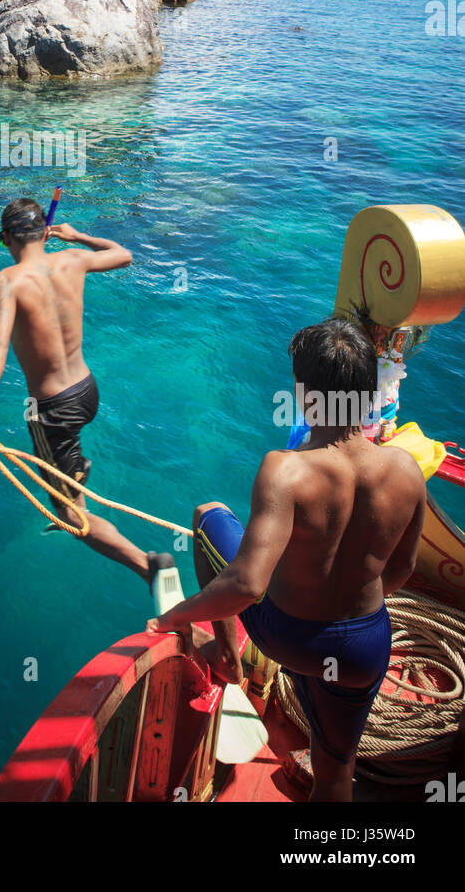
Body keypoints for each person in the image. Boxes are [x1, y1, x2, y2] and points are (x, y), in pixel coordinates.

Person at [146, 317, 427, 802]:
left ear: (305, 394)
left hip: (289, 635)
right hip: (363, 647)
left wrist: (176, 616)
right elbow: (401, 571)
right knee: (336, 774)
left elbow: (247, 585)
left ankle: (229, 658)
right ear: (365, 389)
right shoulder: (405, 470)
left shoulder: (286, 469)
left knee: (207, 515)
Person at [0, 198, 166, 583]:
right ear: (47, 232)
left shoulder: (7, 281)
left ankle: (150, 568)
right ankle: (73, 471)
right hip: (86, 391)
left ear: (4, 238)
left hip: (51, 411)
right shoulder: (73, 259)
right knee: (67, 465)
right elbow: (123, 254)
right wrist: (77, 235)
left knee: (69, 515)